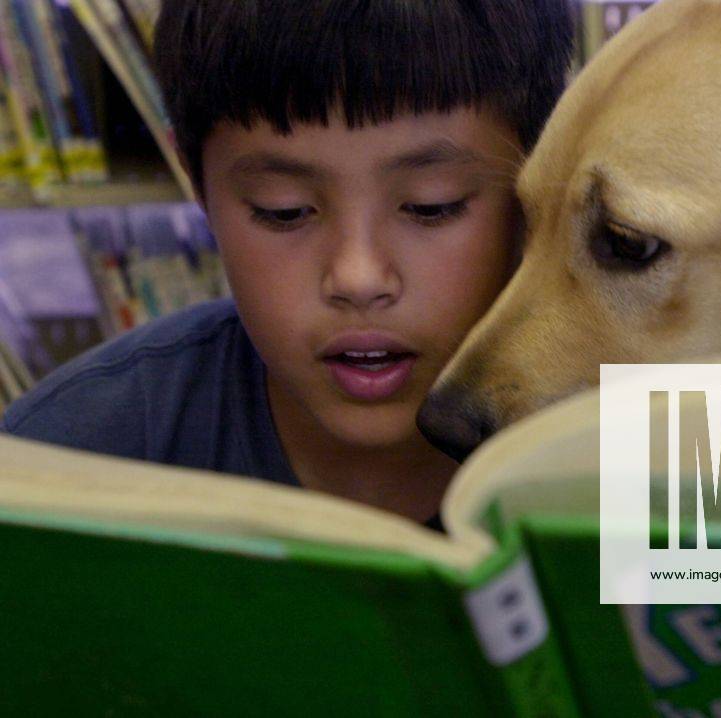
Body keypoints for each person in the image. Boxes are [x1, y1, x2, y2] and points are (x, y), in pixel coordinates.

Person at [1, 0, 575, 526]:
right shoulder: (59, 465)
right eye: (285, 212)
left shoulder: (648, 458)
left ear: (541, 175)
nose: (358, 277)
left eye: (433, 205)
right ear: (197, 184)